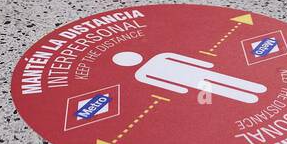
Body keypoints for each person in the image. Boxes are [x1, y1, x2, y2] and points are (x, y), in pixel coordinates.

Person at [111, 50, 267, 104]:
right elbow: (164, 81)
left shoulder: (143, 71)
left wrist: (181, 89)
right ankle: (252, 93)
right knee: (223, 82)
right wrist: (205, 65)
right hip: (195, 74)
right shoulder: (155, 61)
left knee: (219, 86)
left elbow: (165, 82)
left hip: (191, 78)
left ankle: (249, 96)